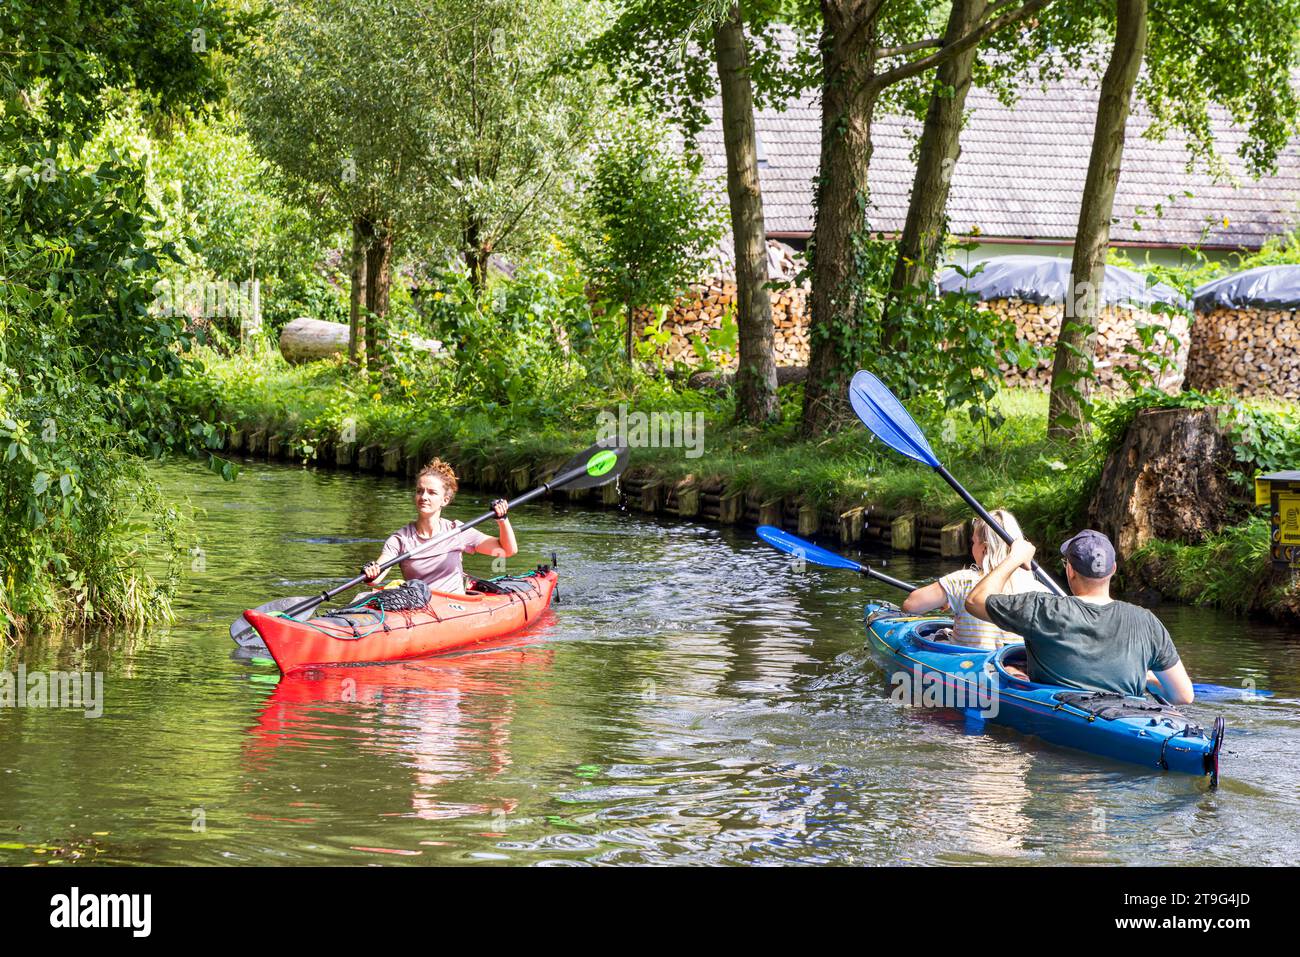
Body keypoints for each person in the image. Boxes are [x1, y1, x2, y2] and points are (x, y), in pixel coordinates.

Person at [964, 529, 1194, 703]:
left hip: (1061, 720)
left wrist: (1014, 557)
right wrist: (1146, 679)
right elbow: (1183, 696)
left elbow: (975, 601)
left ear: (1070, 570)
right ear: (1113, 569)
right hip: (1129, 718)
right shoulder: (1146, 621)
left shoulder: (1042, 608)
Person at [363, 458, 517, 596]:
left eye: (431, 493)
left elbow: (506, 550)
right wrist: (372, 571)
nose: (423, 497)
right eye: (419, 491)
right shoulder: (400, 539)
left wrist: (502, 519)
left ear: (445, 500)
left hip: (456, 607)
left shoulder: (457, 531)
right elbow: (376, 579)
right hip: (419, 605)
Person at [901, 510, 1046, 649]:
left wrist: (950, 595)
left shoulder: (963, 581)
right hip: (1012, 666)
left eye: (973, 543)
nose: (972, 548)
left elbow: (911, 605)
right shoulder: (1040, 591)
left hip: (967, 667)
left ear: (984, 548)